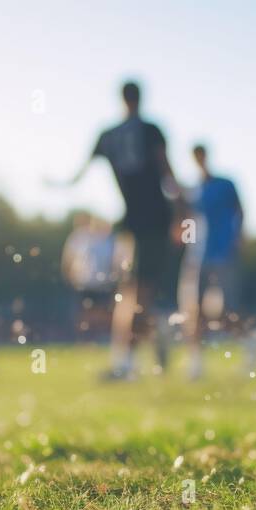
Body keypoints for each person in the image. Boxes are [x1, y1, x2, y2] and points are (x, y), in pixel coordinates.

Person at [51, 80, 184, 380]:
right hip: (148, 222)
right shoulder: (150, 130)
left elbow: (78, 174)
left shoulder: (109, 135)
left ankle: (126, 361)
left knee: (135, 293)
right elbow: (169, 175)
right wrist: (182, 212)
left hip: (142, 223)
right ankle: (148, 341)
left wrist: (57, 184)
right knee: (135, 293)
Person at [178, 143, 245, 380]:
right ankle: (196, 361)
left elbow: (240, 211)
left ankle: (246, 351)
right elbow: (186, 219)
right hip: (198, 256)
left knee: (229, 308)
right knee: (194, 309)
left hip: (224, 252)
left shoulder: (226, 185)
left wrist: (239, 237)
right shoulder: (191, 190)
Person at [61, 213, 118, 341]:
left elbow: (114, 262)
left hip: (103, 284)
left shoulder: (109, 240)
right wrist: (70, 276)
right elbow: (69, 259)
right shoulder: (79, 238)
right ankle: (85, 339)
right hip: (84, 283)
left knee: (102, 312)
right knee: (84, 313)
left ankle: (99, 337)